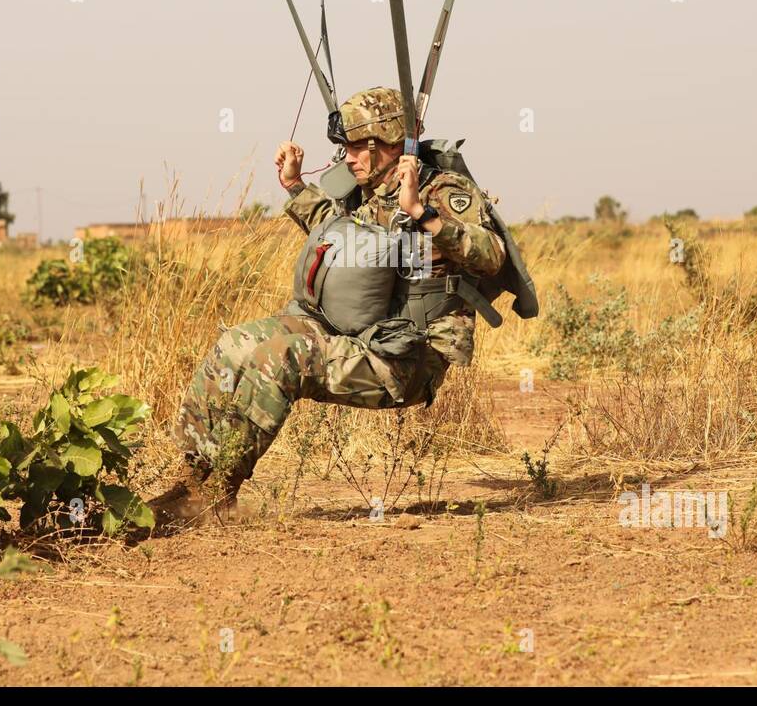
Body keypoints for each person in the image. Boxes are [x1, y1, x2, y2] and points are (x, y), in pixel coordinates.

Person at [151, 86, 506, 528]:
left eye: (357, 148)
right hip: (352, 330)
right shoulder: (368, 191)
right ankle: (192, 480)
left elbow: (492, 255)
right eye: (345, 149)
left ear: (390, 144)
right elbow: (335, 231)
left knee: (281, 358)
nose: (348, 158)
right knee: (236, 343)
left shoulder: (444, 190)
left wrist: (422, 214)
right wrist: (295, 186)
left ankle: (217, 493)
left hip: (406, 356)